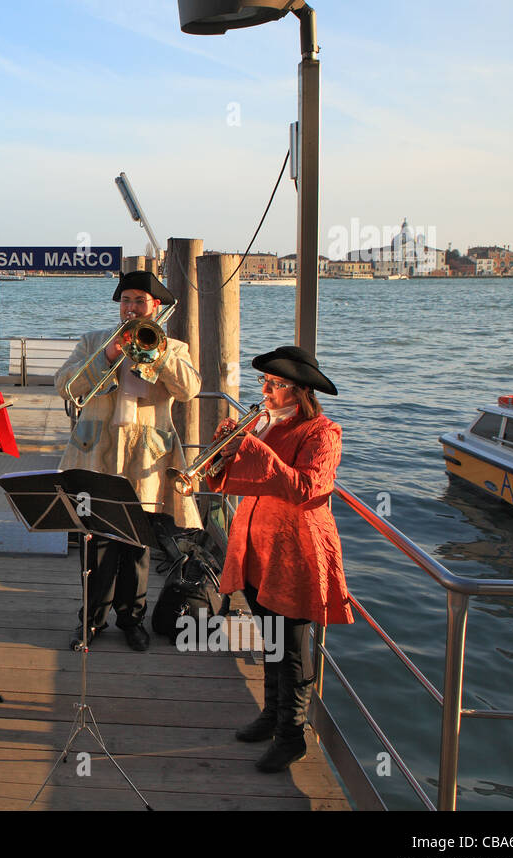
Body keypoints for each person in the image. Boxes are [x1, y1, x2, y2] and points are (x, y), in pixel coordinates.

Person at [205, 345, 353, 773]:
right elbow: (234, 481)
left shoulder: (323, 433)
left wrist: (253, 450)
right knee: (268, 635)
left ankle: (292, 735)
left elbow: (308, 488)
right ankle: (271, 716)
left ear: (301, 391)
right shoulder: (265, 425)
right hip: (255, 543)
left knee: (290, 646)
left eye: (276, 384)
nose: (266, 391)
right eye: (265, 383)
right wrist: (224, 454)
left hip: (295, 550)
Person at [55, 270, 202, 652]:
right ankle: (91, 621)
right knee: (97, 540)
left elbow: (189, 390)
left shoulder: (175, 346)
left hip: (147, 457)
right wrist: (108, 354)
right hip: (97, 453)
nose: (131, 308)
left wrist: (160, 353)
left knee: (137, 542)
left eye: (139, 301)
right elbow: (66, 385)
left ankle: (132, 620)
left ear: (155, 307)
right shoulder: (93, 341)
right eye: (125, 301)